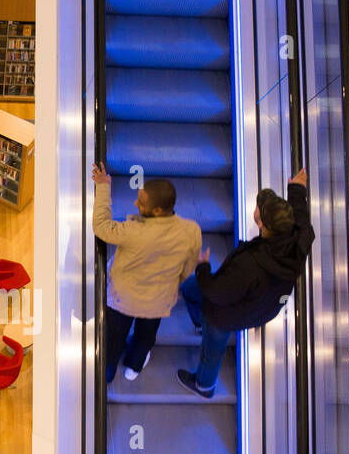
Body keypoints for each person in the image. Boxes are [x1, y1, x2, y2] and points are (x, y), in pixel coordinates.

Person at [177, 168, 314, 398]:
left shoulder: (250, 267)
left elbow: (215, 291)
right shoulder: (298, 242)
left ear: (262, 225)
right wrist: (297, 189)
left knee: (212, 350)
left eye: (260, 206)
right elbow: (301, 218)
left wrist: (202, 267)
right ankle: (200, 323)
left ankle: (204, 385)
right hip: (262, 306)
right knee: (190, 290)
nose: (258, 205)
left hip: (224, 316)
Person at [92, 163, 202, 383]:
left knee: (113, 338)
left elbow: (101, 226)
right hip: (159, 301)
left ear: (158, 211)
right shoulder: (192, 231)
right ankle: (134, 365)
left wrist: (103, 187)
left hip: (123, 300)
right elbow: (188, 269)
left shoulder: (133, 231)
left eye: (141, 203)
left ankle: (109, 369)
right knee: (145, 336)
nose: (135, 203)